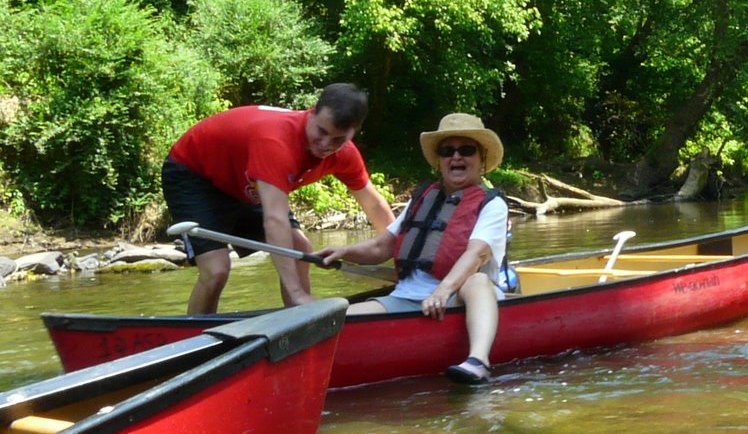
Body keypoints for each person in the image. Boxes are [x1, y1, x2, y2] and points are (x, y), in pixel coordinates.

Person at [164, 83, 395, 314]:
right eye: (321, 132)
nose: (325, 145)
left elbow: (373, 204)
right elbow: (275, 219)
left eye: (338, 139)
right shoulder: (277, 142)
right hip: (195, 174)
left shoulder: (345, 154)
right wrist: (296, 292)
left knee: (301, 247)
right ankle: (197, 337)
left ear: (353, 133)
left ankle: (301, 319)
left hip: (245, 181)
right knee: (216, 270)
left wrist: (405, 258)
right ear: (311, 111)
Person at [315, 113, 511, 385]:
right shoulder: (423, 198)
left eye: (466, 150)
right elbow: (381, 247)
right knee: (328, 322)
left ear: (482, 159)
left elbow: (476, 254)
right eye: (447, 151)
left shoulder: (492, 204)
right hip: (406, 297)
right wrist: (343, 252)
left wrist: (442, 291)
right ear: (440, 161)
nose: (456, 157)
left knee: (477, 280)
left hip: (460, 298)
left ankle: (478, 361)